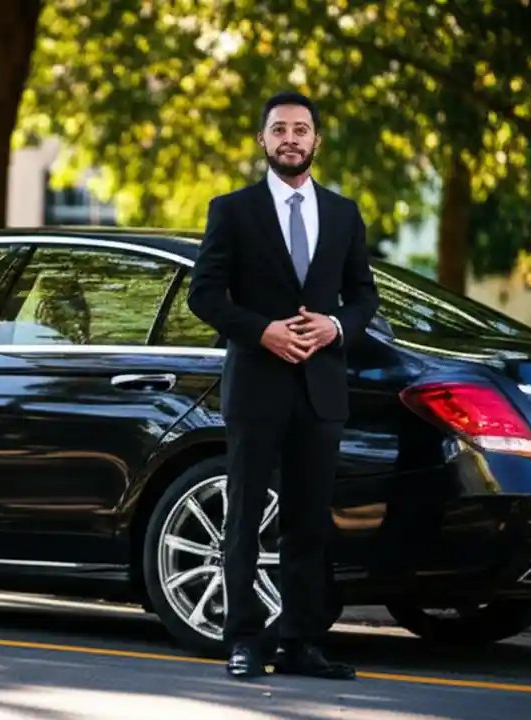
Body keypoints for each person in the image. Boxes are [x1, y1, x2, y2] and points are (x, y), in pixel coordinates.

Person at [187, 90, 379, 681]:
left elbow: (365, 296)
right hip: (257, 385)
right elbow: (205, 294)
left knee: (309, 521)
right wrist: (262, 331)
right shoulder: (232, 210)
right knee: (243, 515)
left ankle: (301, 642)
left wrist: (337, 325)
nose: (290, 138)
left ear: (316, 141)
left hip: (321, 389)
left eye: (301, 129)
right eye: (279, 129)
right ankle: (244, 638)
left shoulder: (344, 213)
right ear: (263, 141)